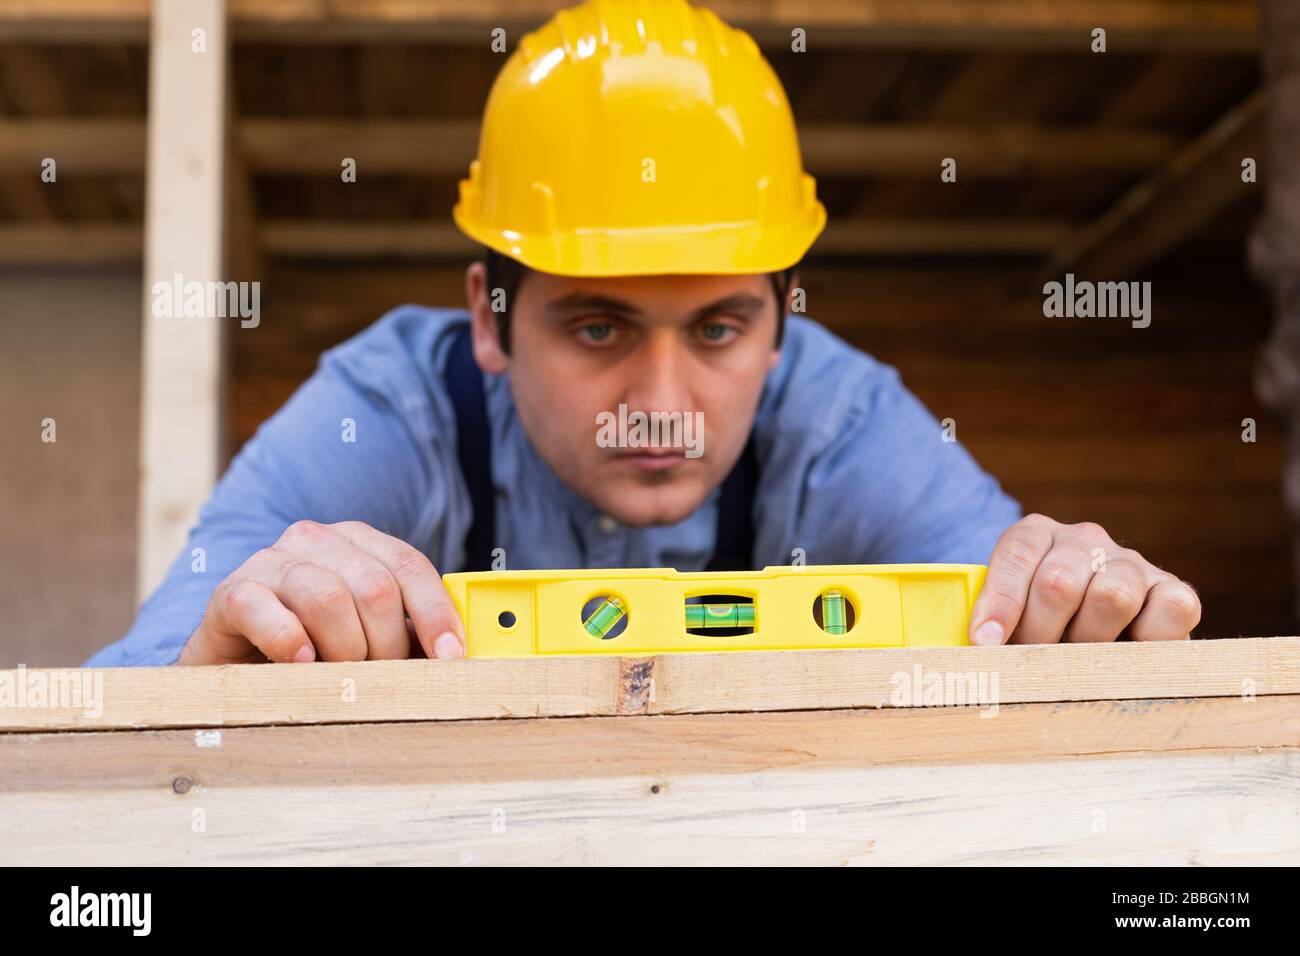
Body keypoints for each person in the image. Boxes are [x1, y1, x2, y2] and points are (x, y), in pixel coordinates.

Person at [87, 0, 1200, 667]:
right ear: (489, 316)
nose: (664, 397)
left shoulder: (840, 413)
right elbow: (130, 691)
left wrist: (1074, 601)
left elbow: (1021, 603)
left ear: (780, 326)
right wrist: (214, 655)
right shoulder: (380, 415)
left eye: (719, 326)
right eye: (599, 324)